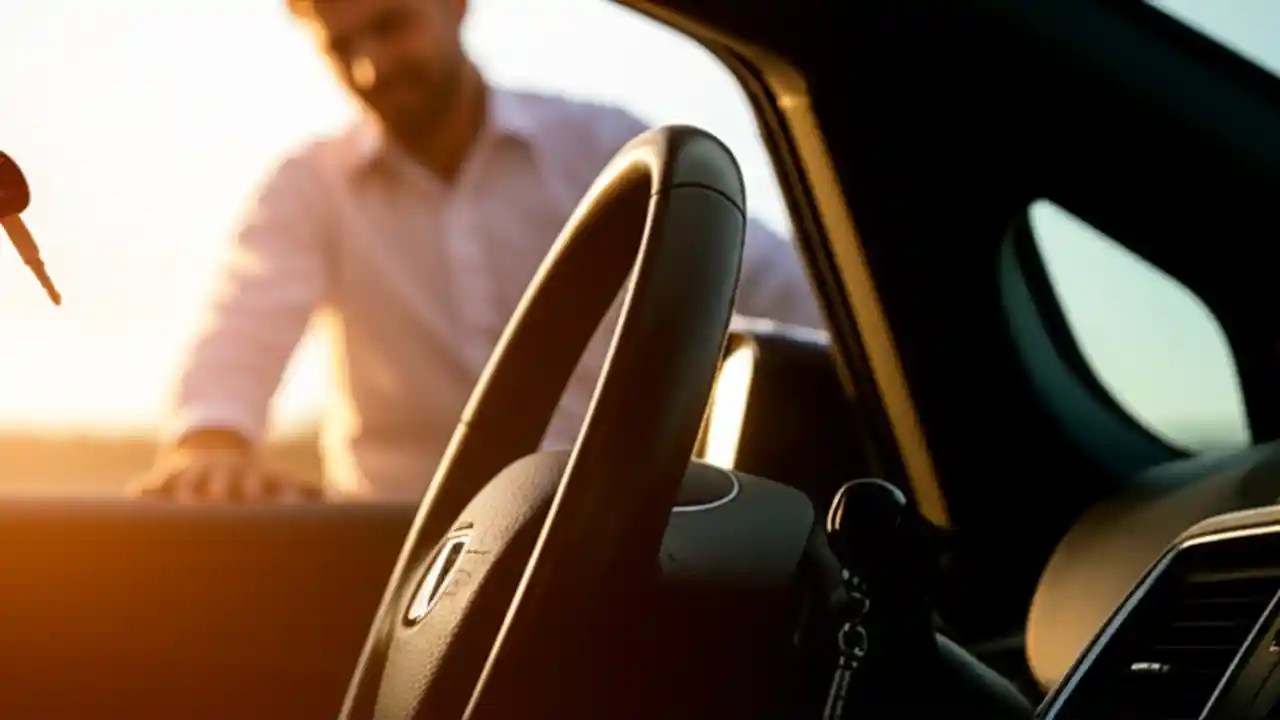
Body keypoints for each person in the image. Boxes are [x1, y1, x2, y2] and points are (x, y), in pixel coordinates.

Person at [132, 0, 822, 503]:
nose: (371, 66)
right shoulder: (307, 186)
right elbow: (247, 318)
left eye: (390, 26)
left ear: (455, 6)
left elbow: (773, 282)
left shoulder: (603, 147)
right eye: (342, 48)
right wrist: (213, 439)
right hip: (395, 558)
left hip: (601, 534)